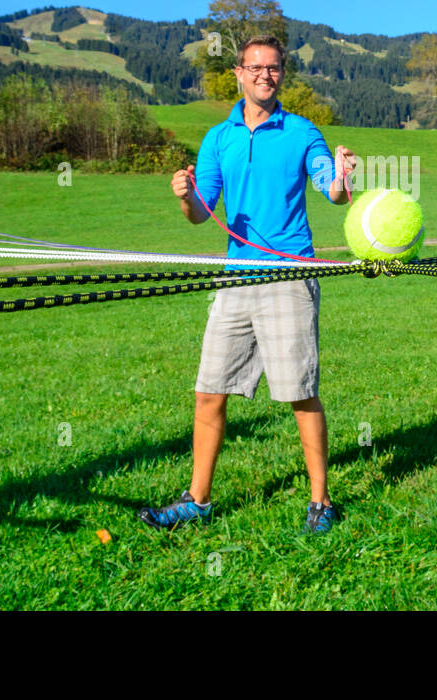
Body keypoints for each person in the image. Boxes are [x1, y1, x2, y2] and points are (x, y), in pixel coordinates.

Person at [138, 36, 357, 534]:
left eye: (274, 68)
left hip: (289, 276)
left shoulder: (303, 133)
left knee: (300, 392)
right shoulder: (219, 138)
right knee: (209, 391)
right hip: (235, 280)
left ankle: (321, 502)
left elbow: (334, 192)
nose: (265, 75)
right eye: (256, 67)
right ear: (238, 73)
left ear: (283, 75)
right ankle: (197, 500)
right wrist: (185, 197)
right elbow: (201, 214)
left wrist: (342, 177)